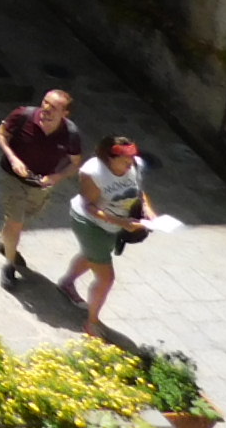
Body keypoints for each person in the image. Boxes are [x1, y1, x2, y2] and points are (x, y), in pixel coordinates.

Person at [59, 134, 155, 336]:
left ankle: (66, 283)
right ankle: (91, 323)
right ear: (110, 158)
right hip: (90, 224)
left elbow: (139, 191)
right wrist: (121, 222)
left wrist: (149, 211)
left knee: (91, 255)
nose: (131, 164)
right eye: (125, 160)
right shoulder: (94, 172)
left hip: (114, 225)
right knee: (106, 278)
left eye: (132, 159)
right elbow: (90, 207)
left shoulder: (133, 165)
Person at [0, 88, 82, 288]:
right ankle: (9, 265)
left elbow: (75, 162)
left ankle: (4, 241)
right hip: (14, 178)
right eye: (45, 102)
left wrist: (56, 177)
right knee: (15, 221)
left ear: (65, 113)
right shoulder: (23, 115)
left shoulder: (70, 133)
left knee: (24, 218)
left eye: (54, 107)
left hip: (41, 185)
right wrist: (13, 158)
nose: (46, 109)